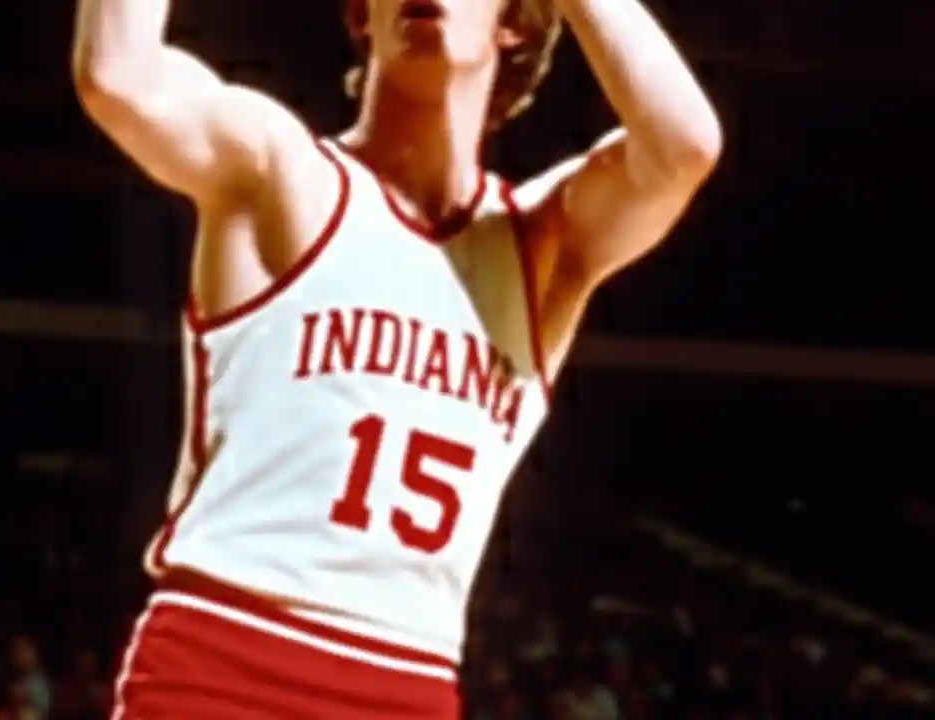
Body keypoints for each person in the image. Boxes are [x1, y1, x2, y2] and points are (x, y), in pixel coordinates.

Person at [72, 0, 721, 717]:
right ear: (361, 15)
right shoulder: (280, 171)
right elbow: (118, 76)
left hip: (408, 681)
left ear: (513, 22)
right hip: (226, 653)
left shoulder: (541, 244)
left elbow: (684, 147)